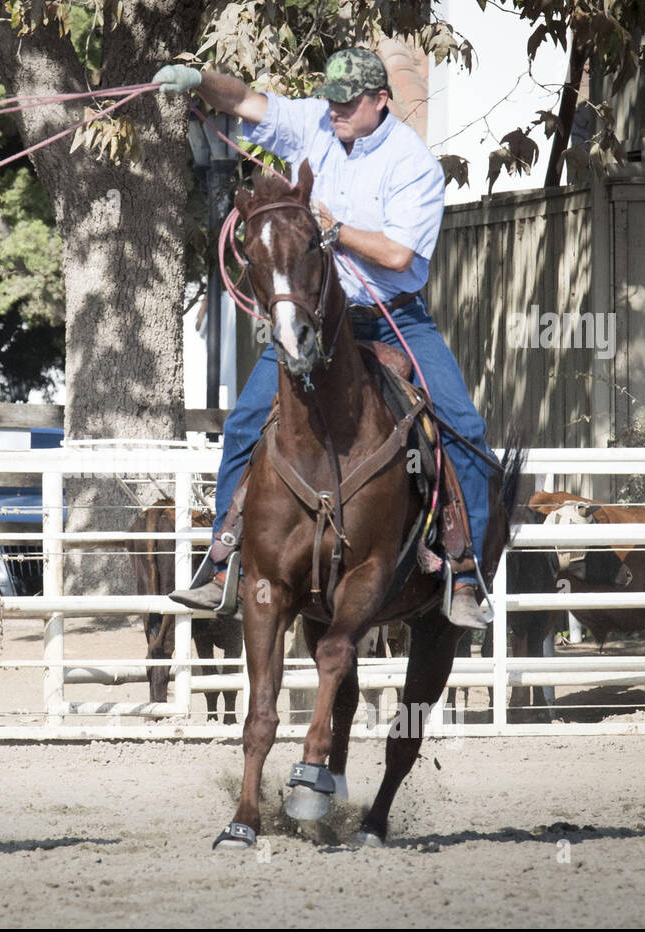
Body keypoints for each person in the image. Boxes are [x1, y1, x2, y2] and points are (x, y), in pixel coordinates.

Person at [153, 48, 494, 629]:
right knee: (243, 424)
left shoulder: (413, 164)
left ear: (379, 101)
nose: (335, 108)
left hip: (393, 316)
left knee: (464, 429)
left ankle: (465, 571)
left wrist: (333, 229)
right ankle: (222, 563)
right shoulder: (313, 120)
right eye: (331, 97)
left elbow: (398, 253)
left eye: (348, 100)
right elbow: (240, 100)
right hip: (315, 317)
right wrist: (196, 79)